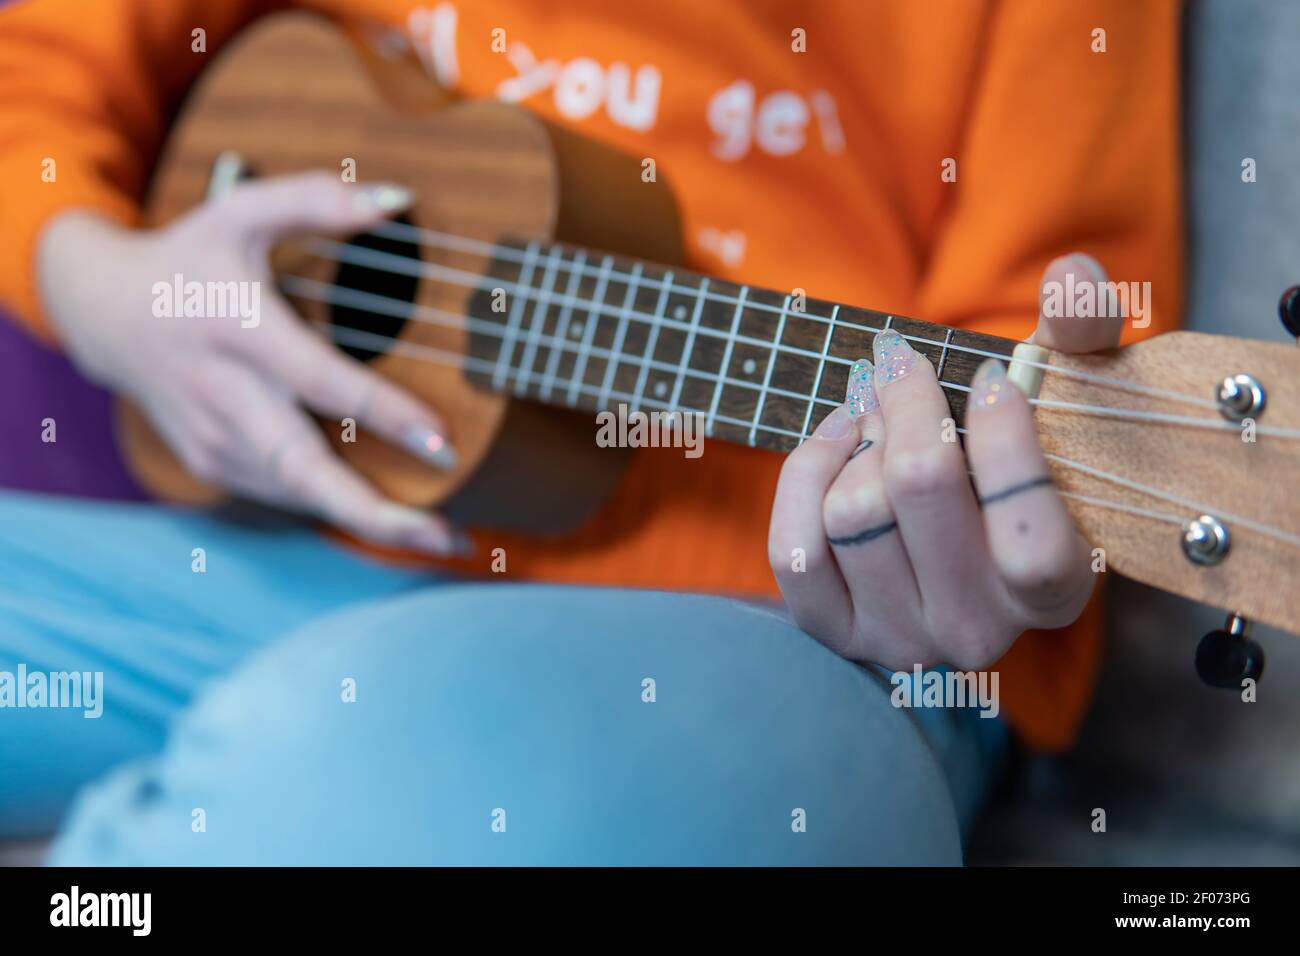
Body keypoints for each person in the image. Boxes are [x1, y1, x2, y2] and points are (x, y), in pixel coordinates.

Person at [0, 0, 1181, 863]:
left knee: (331, 792)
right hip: (263, 569)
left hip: (793, 636)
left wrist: (944, 557)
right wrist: (115, 294)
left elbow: (1037, 364)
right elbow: (36, 82)